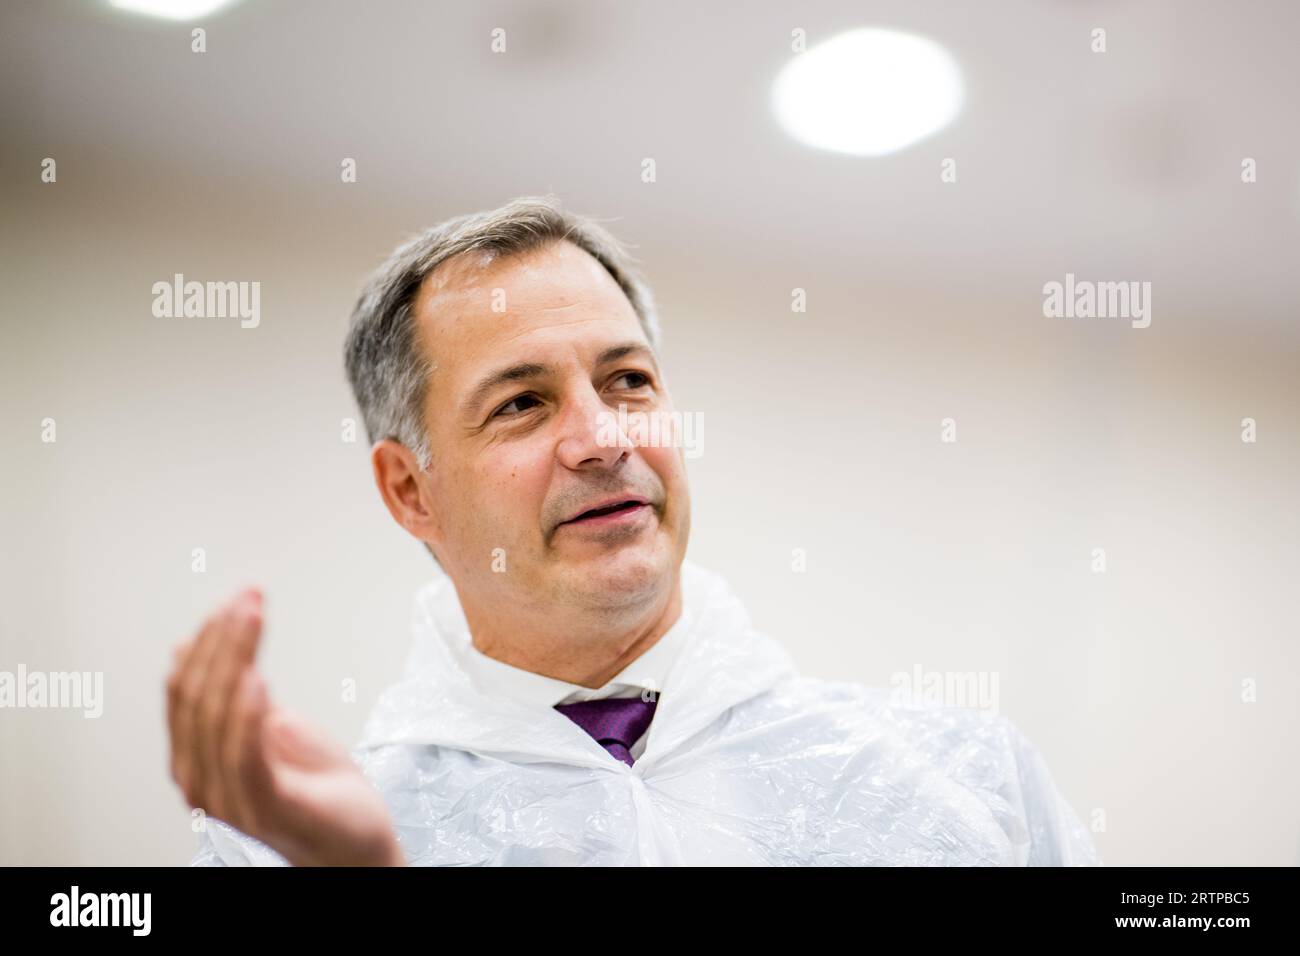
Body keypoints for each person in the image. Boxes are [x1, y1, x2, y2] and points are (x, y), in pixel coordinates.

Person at [166, 196, 1099, 866]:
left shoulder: (969, 782)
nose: (605, 439)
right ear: (411, 491)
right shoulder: (290, 852)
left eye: (628, 381)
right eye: (523, 403)